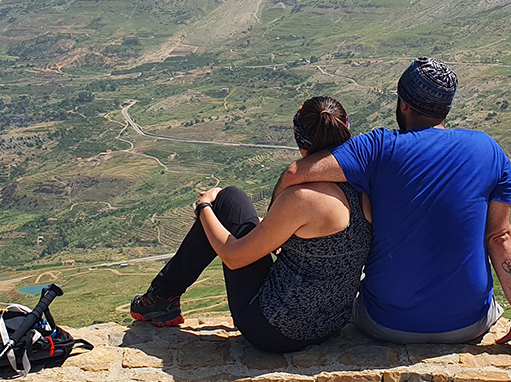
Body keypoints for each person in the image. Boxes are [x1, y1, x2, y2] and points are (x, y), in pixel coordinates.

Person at [272, 58, 511, 358]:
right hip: (469, 324)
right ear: (447, 108)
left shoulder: (378, 147)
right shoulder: (489, 150)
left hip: (386, 324)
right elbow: (500, 237)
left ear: (403, 104)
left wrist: (277, 230)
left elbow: (295, 173)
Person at [130, 96, 373, 353]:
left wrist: (204, 209)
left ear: (300, 139)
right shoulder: (364, 187)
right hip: (331, 324)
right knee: (234, 205)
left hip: (273, 330)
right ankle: (161, 296)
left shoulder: (301, 198)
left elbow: (234, 258)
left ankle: (161, 297)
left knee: (227, 199)